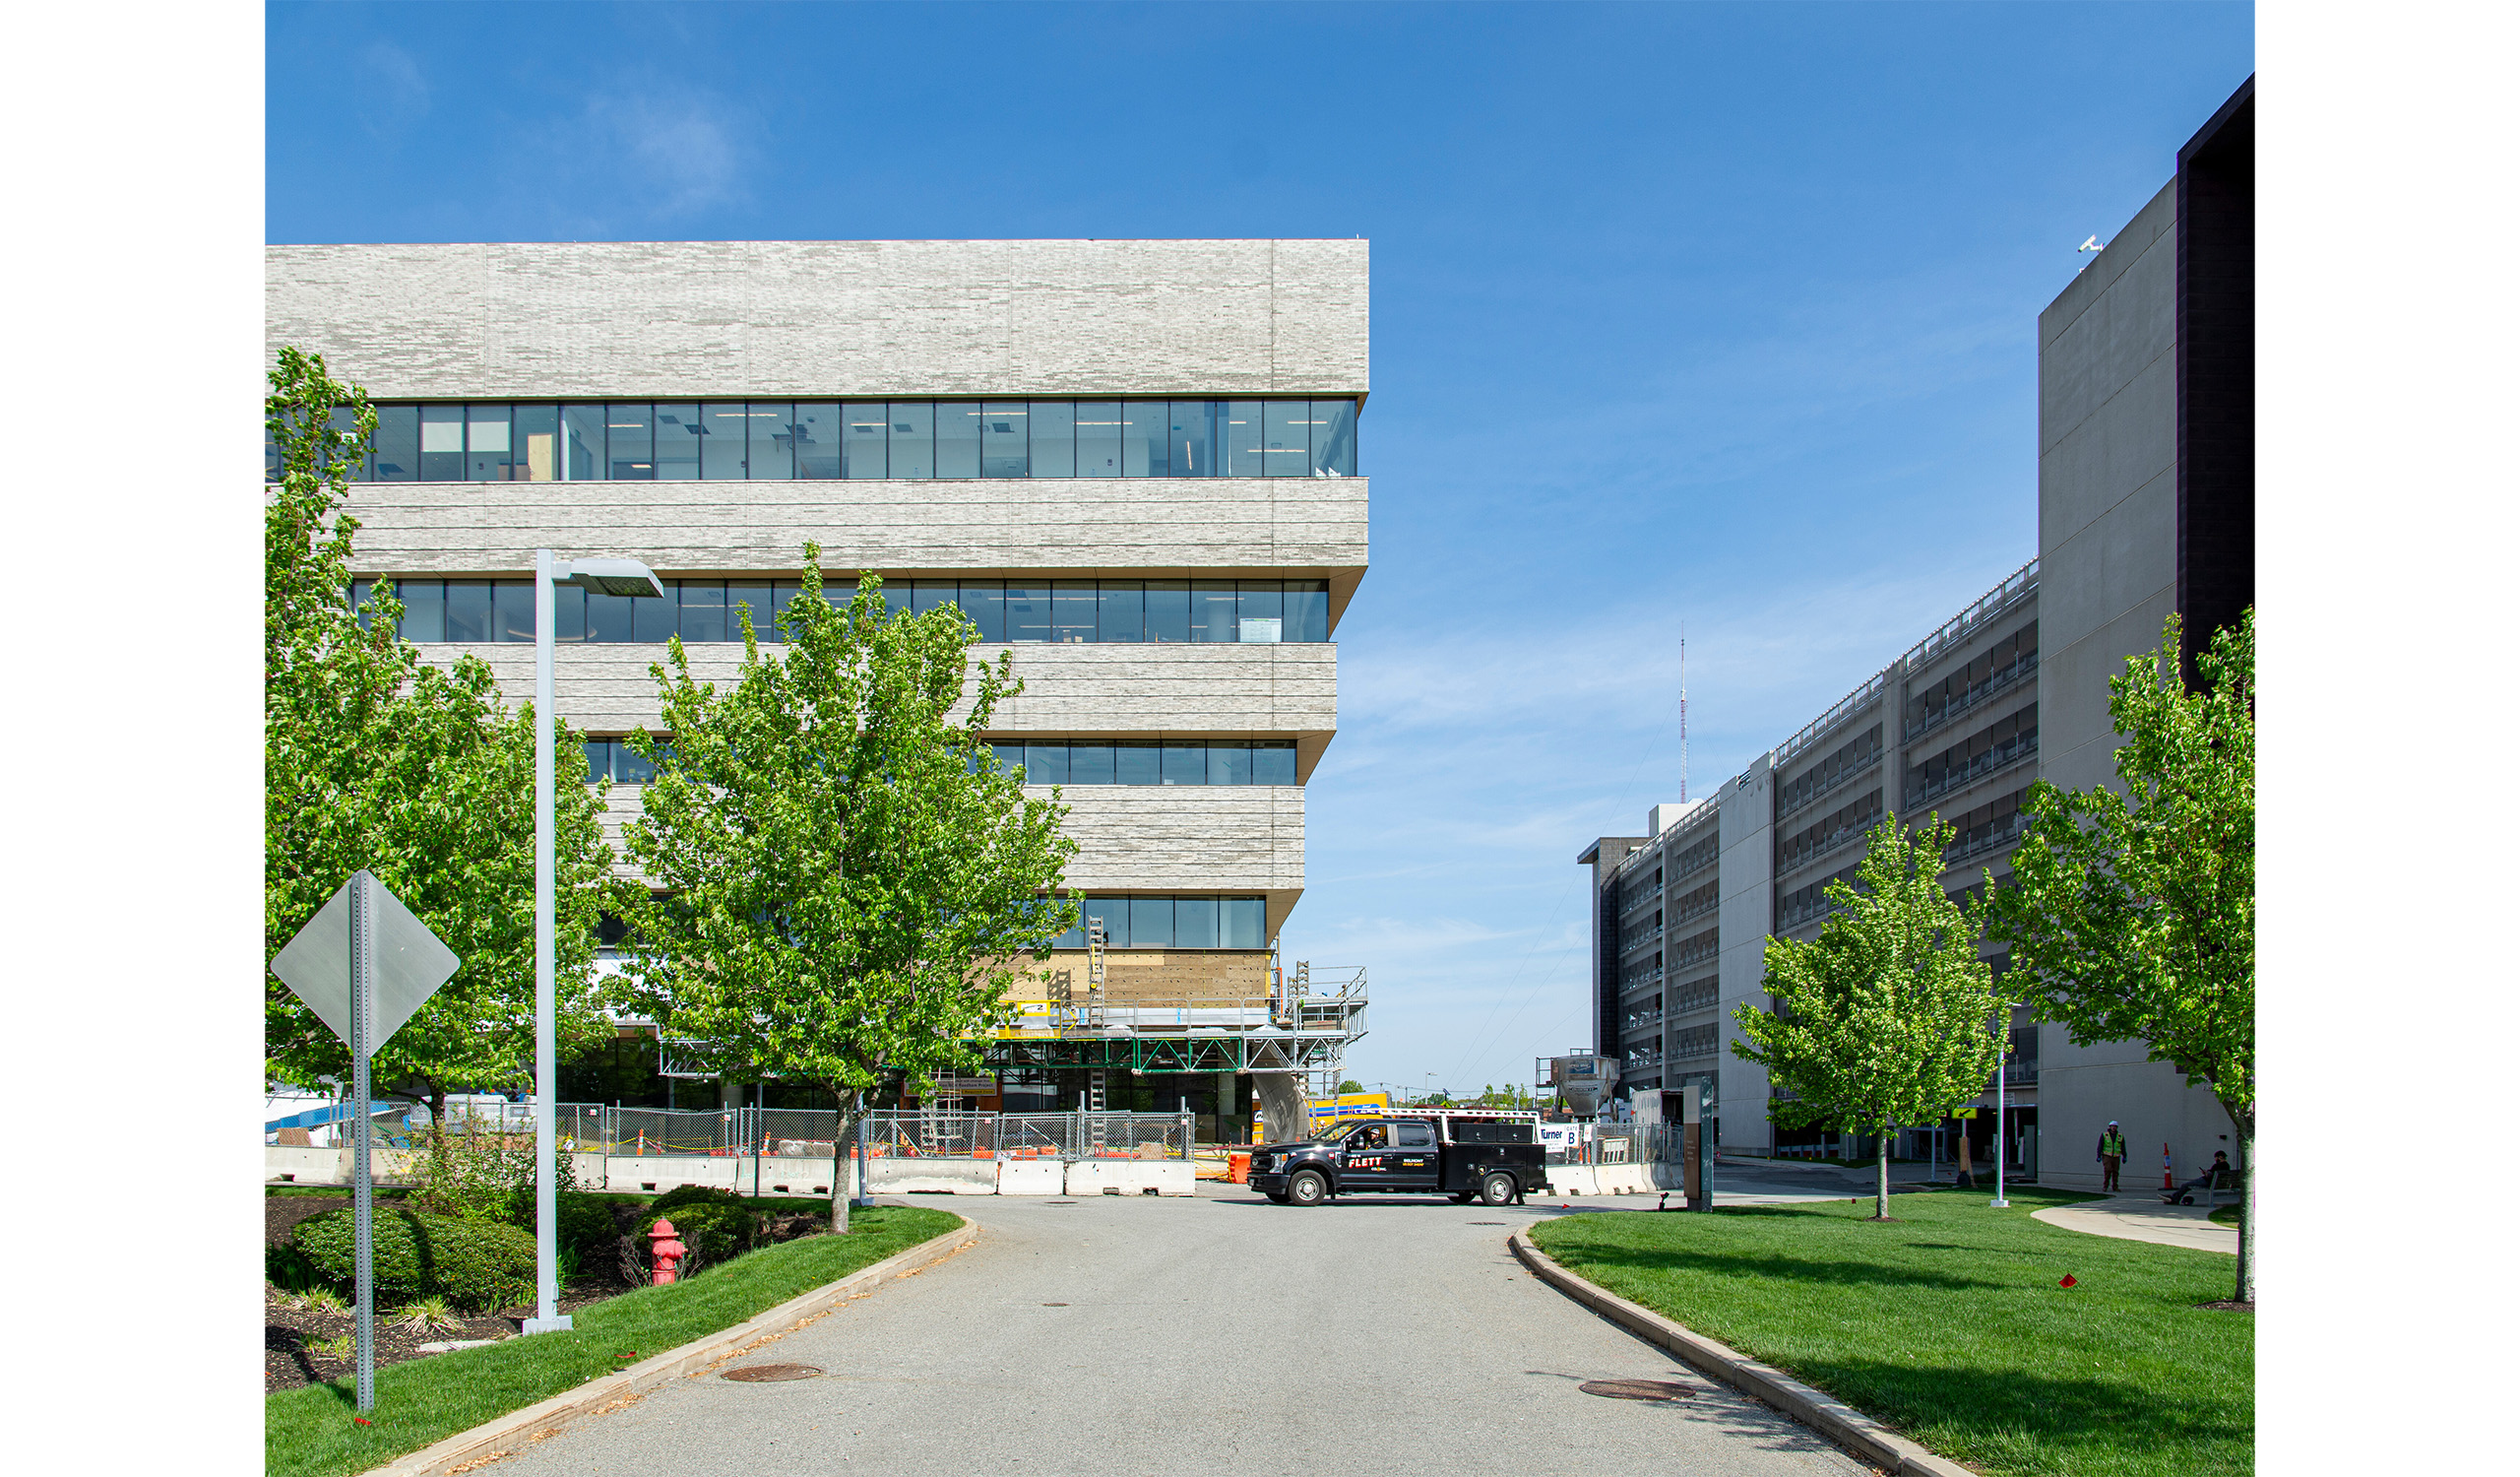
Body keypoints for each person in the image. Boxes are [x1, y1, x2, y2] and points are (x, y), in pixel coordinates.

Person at [2165, 1150, 2233, 1202]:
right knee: (2187, 1185)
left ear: (2219, 1157)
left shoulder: (2217, 1165)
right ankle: (2174, 1197)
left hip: (2207, 1182)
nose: (2215, 1160)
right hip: (2216, 1183)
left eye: (2216, 1158)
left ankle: (2174, 1198)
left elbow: (2209, 1176)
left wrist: (2205, 1173)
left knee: (2185, 1185)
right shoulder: (2227, 1166)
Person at [2097, 1121, 2128, 1192]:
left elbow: (2123, 1147)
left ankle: (2115, 1186)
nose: (2113, 1128)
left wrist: (2124, 1156)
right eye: (2112, 1126)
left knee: (2115, 1171)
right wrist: (2098, 1155)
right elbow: (2100, 1146)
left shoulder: (2120, 1136)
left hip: (2116, 1156)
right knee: (2108, 1170)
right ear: (2110, 1127)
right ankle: (2105, 1186)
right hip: (2107, 1156)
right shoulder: (2105, 1135)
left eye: (2115, 1126)